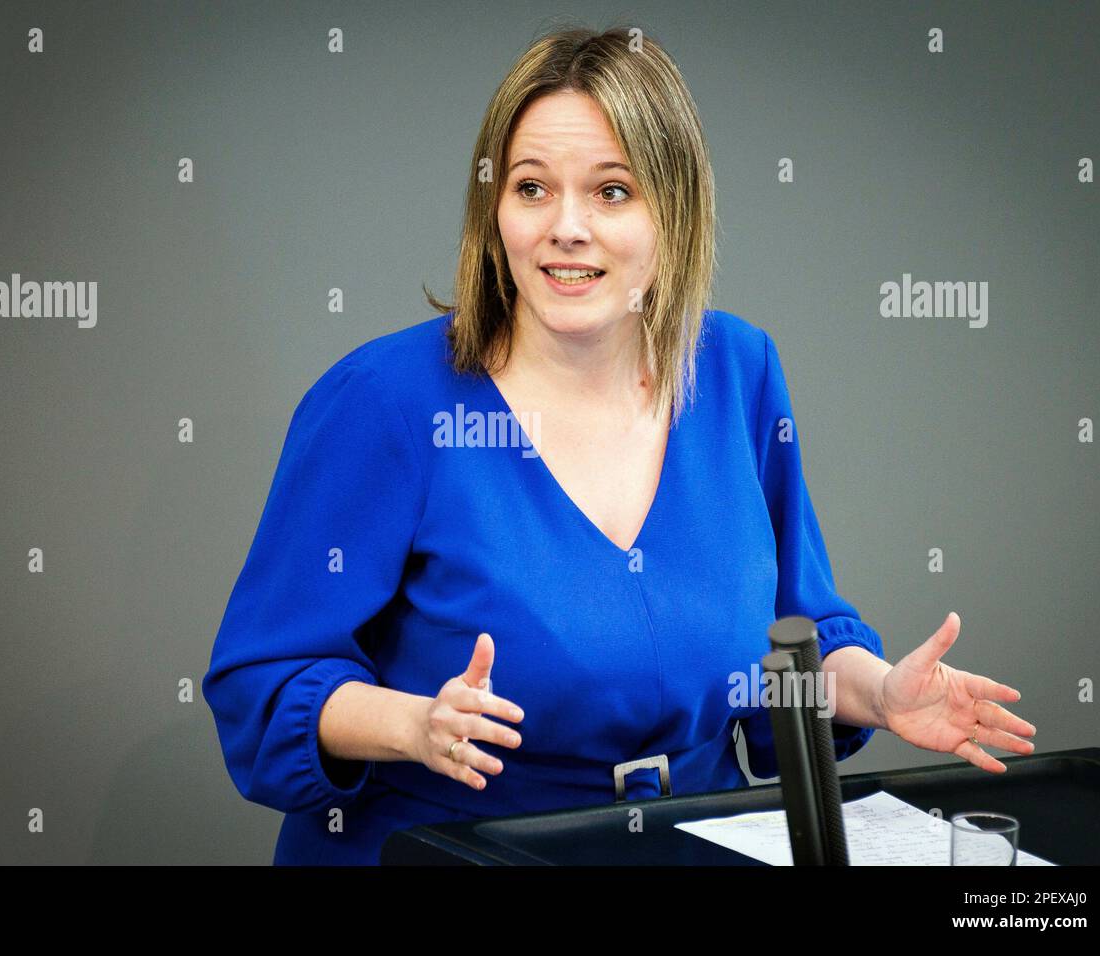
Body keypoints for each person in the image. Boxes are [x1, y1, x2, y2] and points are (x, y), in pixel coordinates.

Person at [202, 25, 1037, 866]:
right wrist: (416, 724)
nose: (567, 228)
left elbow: (790, 640)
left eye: (612, 192)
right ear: (493, 211)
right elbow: (262, 684)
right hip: (450, 850)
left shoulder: (737, 371)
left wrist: (882, 693)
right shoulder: (384, 401)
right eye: (532, 188)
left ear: (674, 209)